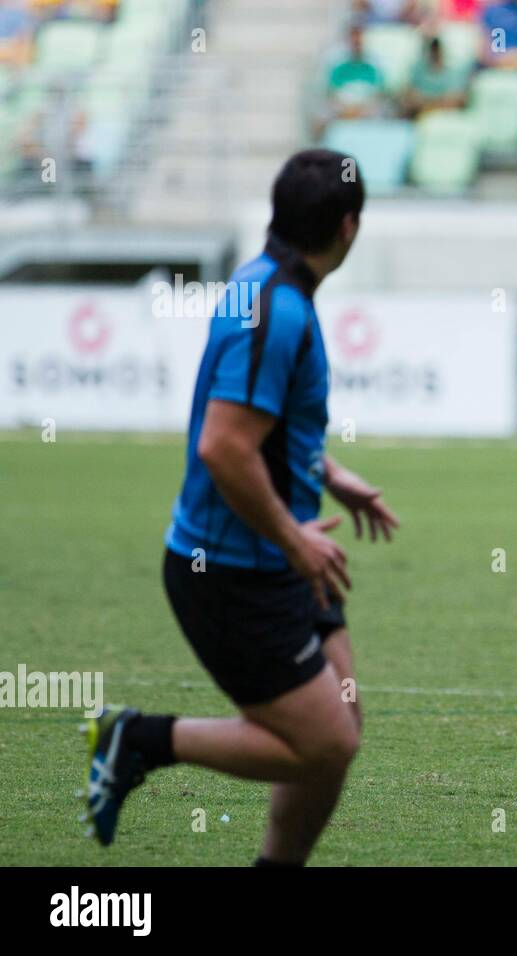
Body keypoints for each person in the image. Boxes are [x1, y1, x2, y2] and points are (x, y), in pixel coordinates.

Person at [81, 150, 400, 865]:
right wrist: (292, 536)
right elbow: (224, 447)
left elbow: (267, 425)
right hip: (232, 567)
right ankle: (135, 738)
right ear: (349, 227)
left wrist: (328, 475)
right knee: (325, 743)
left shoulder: (259, 284)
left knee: (338, 731)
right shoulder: (273, 310)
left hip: (281, 550)